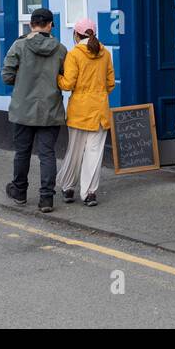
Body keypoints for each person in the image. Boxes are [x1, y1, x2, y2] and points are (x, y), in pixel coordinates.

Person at [2, 8, 67, 213]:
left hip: (23, 108)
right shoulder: (61, 49)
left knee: (22, 152)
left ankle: (20, 192)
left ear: (31, 25)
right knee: (47, 154)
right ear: (50, 25)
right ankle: (46, 198)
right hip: (50, 108)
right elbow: (66, 78)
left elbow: (6, 76)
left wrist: (22, 83)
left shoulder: (19, 45)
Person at [57, 17, 115, 207]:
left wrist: (57, 77)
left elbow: (68, 84)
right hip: (99, 110)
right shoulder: (105, 53)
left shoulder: (74, 54)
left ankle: (67, 187)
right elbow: (110, 83)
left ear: (76, 34)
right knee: (94, 153)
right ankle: (90, 193)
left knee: (74, 151)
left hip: (79, 111)